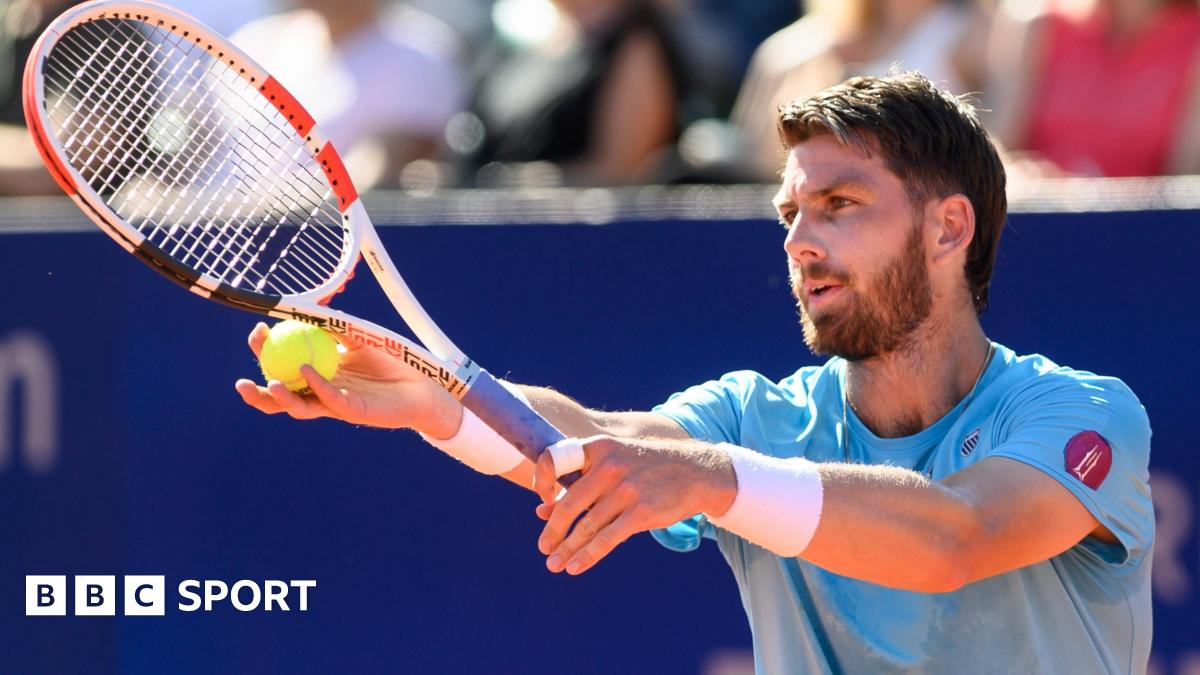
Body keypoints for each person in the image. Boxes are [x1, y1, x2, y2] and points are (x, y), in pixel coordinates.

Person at [236, 73, 1153, 673]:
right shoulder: (755, 418)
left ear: (949, 228)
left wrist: (715, 479)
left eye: (840, 205)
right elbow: (598, 438)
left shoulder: (1081, 414)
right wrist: (430, 397)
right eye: (791, 211)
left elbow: (957, 536)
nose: (800, 240)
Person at [983, 0, 1200, 177]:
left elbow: (1181, 186)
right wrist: (1027, 177)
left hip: (1140, 228)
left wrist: (1089, 194)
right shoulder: (1037, 23)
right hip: (1031, 222)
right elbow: (991, 155)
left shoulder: (1193, 44)